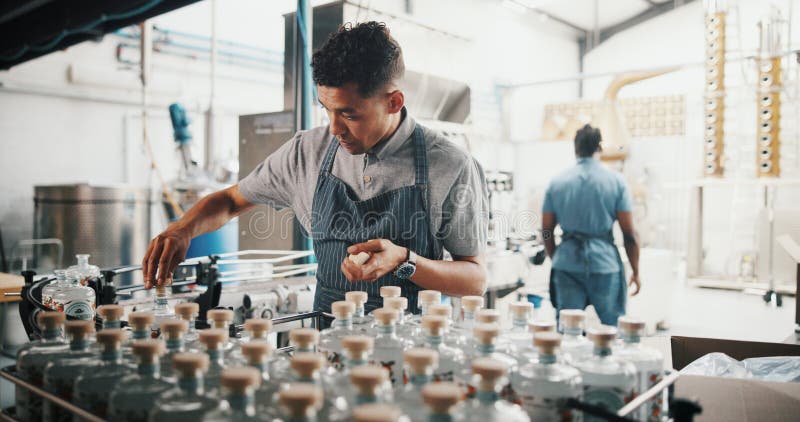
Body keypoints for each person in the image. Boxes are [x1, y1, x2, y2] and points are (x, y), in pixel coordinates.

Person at [141, 22, 488, 315]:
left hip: (413, 354)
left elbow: (474, 279)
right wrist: (182, 229)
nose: (334, 129)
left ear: (394, 102)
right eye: (327, 109)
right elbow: (230, 201)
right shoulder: (307, 152)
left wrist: (404, 261)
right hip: (328, 345)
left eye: (349, 114)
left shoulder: (450, 165)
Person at [541, 124, 640, 326]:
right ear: (600, 148)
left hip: (567, 264)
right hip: (605, 265)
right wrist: (636, 271)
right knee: (612, 329)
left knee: (568, 330)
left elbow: (546, 230)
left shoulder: (557, 182)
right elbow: (630, 234)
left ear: (575, 148)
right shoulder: (616, 182)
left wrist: (556, 257)